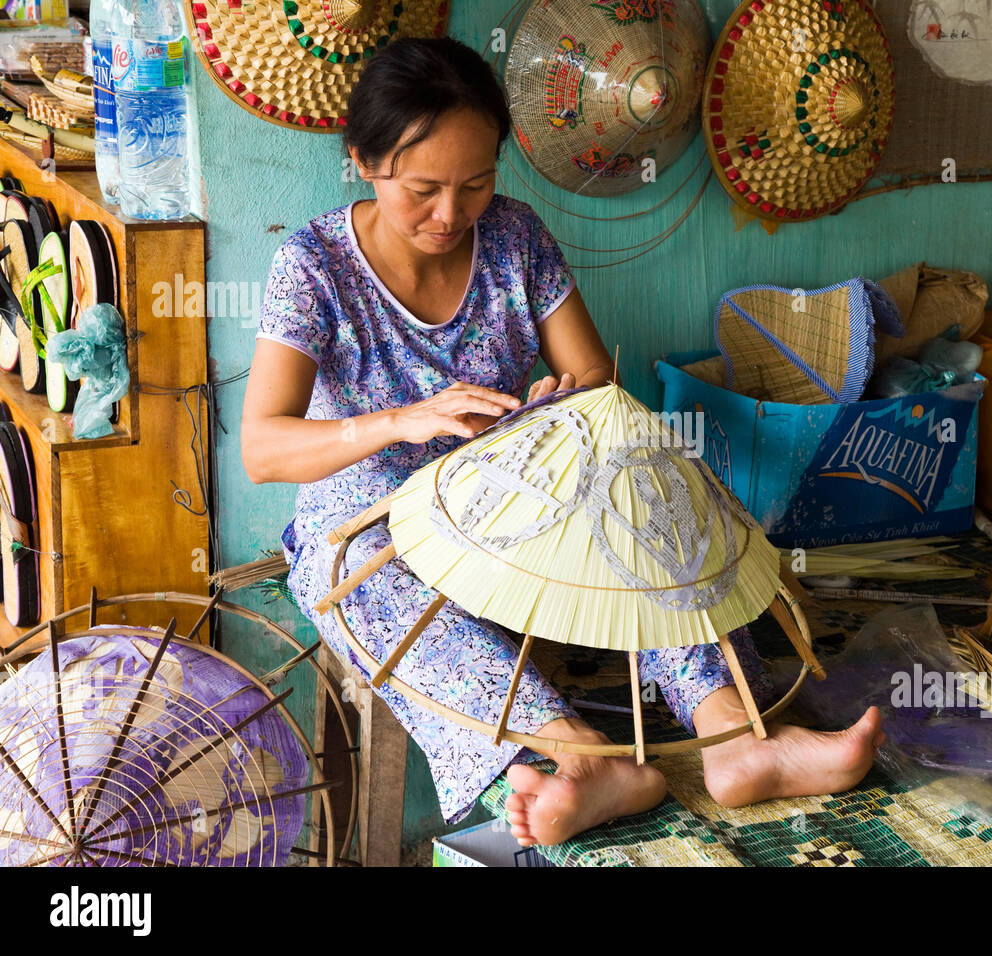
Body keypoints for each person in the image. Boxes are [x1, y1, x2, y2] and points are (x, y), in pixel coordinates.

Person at [242, 36, 884, 848]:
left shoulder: (514, 237)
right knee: (368, 580)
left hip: (517, 500)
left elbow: (595, 379)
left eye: (475, 184)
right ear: (363, 161)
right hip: (377, 522)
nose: (450, 214)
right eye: (423, 190)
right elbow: (263, 448)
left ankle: (736, 738)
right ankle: (577, 759)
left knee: (642, 490)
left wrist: (559, 401)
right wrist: (402, 421)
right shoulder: (315, 265)